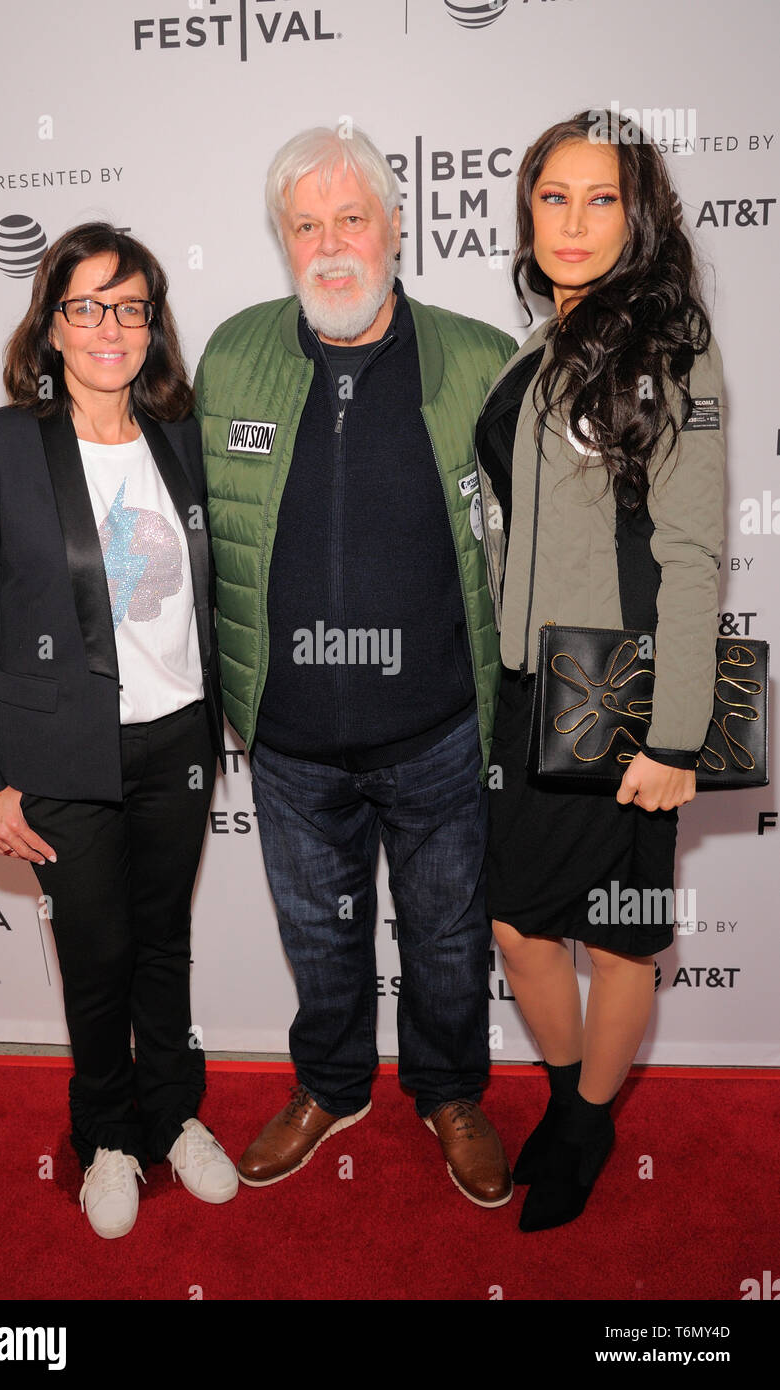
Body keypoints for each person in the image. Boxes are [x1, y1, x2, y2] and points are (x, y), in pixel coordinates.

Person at [194, 125, 518, 1207]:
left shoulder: (476, 356)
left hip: (437, 731)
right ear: (281, 242)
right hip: (288, 744)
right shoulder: (233, 354)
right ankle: (330, 1084)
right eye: (305, 226)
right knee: (319, 941)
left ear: (392, 226)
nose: (331, 245)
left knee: (443, 936)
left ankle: (449, 1091)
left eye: (351, 219)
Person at [0, 222, 237, 1238]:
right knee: (97, 952)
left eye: (131, 307)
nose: (110, 326)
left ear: (153, 326)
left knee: (165, 946)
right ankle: (106, 1134)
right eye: (87, 305)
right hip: (64, 753)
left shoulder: (182, 438)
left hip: (181, 742)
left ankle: (173, 1113)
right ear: (52, 324)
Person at [476, 111, 725, 1231]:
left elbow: (688, 549)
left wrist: (674, 737)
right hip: (533, 684)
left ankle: (585, 1117)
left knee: (620, 925)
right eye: (551, 197)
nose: (572, 222)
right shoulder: (538, 342)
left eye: (600, 198)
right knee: (521, 924)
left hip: (621, 688)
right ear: (527, 212)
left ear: (639, 213)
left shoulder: (670, 344)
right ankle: (573, 1090)